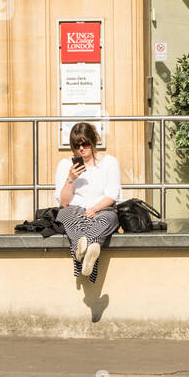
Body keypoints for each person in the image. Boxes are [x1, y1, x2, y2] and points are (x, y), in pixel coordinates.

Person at [54, 122, 122, 284]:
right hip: (75, 210)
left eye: (85, 143)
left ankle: (82, 248)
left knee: (109, 219)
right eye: (77, 145)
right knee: (65, 214)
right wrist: (70, 180)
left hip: (102, 209)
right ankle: (91, 245)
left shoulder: (109, 162)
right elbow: (63, 202)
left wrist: (94, 209)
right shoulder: (65, 165)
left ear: (93, 142)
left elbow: (112, 196)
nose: (81, 148)